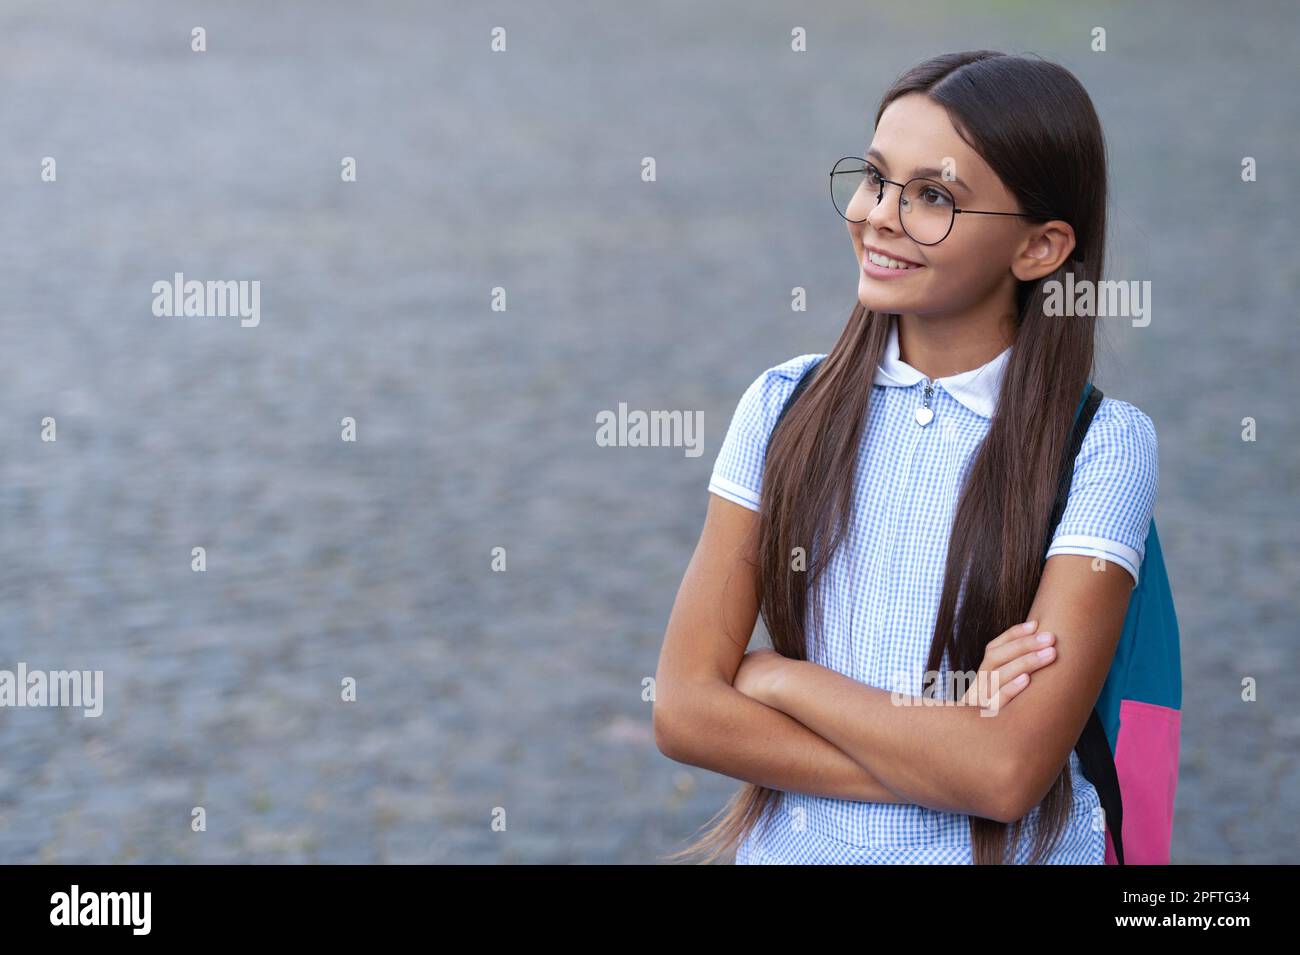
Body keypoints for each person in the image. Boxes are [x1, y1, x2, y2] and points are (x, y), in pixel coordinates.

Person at [652, 50, 1158, 864]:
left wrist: (783, 679)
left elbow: (1005, 775)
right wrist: (947, 745)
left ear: (1040, 249)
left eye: (934, 197)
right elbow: (683, 709)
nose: (879, 215)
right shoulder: (781, 406)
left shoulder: (1103, 444)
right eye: (877, 178)